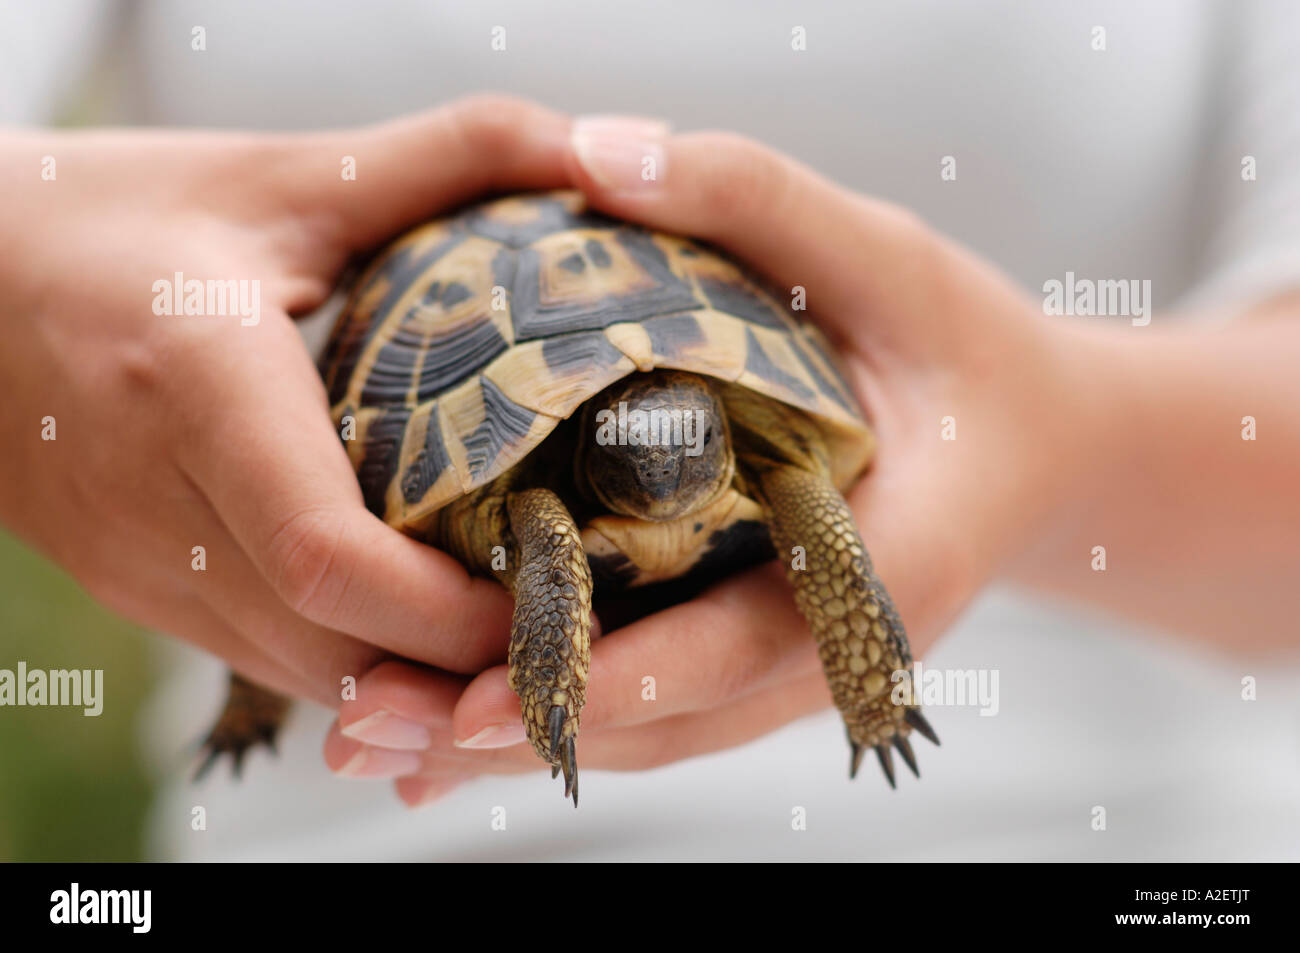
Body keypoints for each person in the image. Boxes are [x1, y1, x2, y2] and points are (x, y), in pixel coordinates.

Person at [3, 0, 1297, 860]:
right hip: (355, 825)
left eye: (694, 446)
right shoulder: (550, 507)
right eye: (650, 449)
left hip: (1127, 839)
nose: (679, 466)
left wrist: (1060, 449)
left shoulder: (766, 465)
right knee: (529, 546)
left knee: (797, 509)